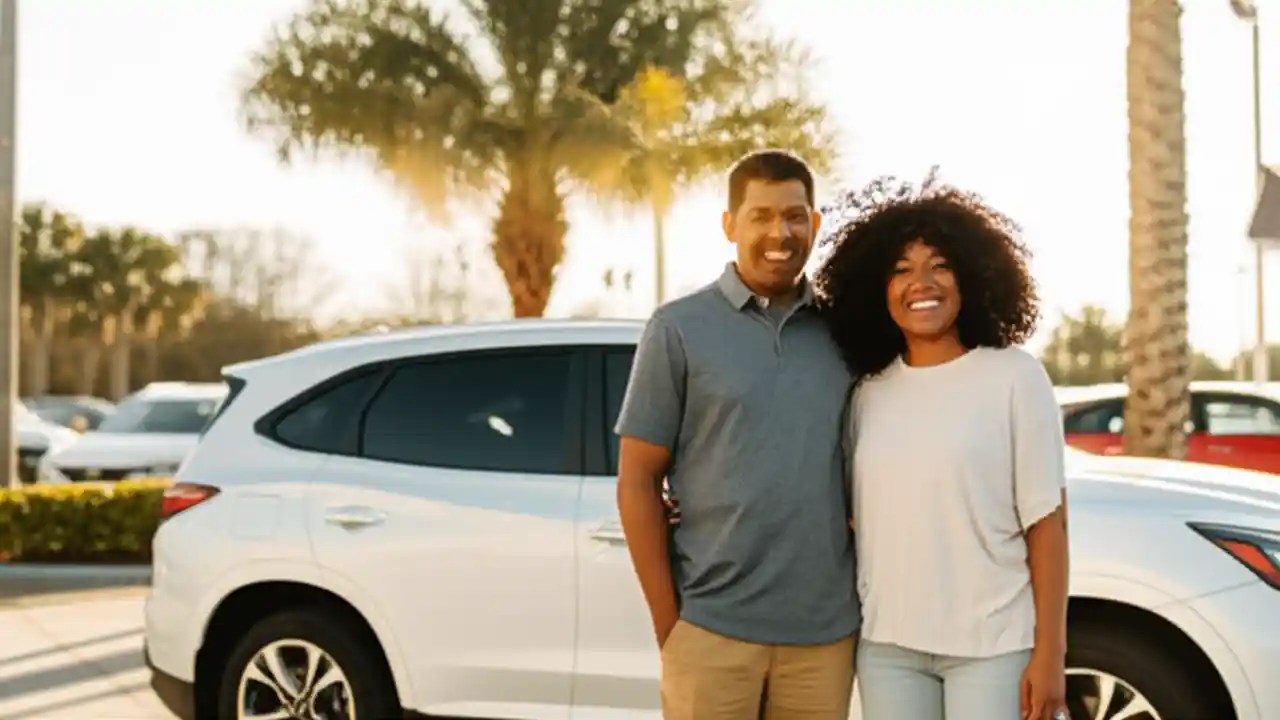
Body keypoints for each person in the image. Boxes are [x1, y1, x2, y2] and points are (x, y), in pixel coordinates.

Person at [812, 173, 1071, 720]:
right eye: (901, 270)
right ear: (877, 290)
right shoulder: (867, 395)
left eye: (940, 266)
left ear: (972, 277)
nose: (920, 283)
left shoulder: (1014, 378)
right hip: (888, 648)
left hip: (994, 646)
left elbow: (1047, 526)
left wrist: (1050, 653)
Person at [614, 149, 859, 719]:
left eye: (796, 216)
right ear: (730, 225)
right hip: (711, 631)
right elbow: (638, 481)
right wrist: (669, 625)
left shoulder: (846, 333)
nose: (781, 232)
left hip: (824, 638)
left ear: (815, 223)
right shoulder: (678, 328)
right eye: (762, 215)